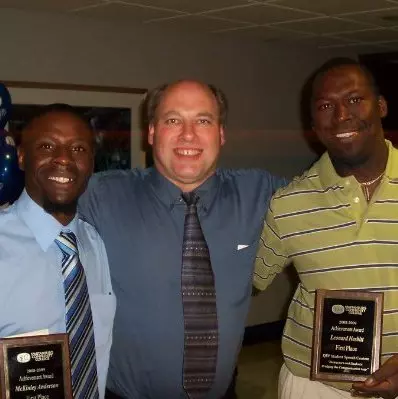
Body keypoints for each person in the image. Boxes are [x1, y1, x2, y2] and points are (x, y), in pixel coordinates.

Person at [78, 79, 287, 398]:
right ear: (151, 133)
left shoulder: (258, 193)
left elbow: (328, 202)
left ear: (221, 133)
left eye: (203, 120)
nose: (188, 134)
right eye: (173, 120)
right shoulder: (101, 196)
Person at [254, 58, 398, 399]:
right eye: (325, 105)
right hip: (314, 386)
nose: (341, 115)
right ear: (313, 124)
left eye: (353, 99)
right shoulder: (287, 202)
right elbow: (246, 279)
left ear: (380, 106)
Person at [0, 104, 116, 399]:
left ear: (91, 162)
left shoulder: (94, 244)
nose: (64, 158)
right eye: (48, 146)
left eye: (78, 149)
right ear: (23, 156)